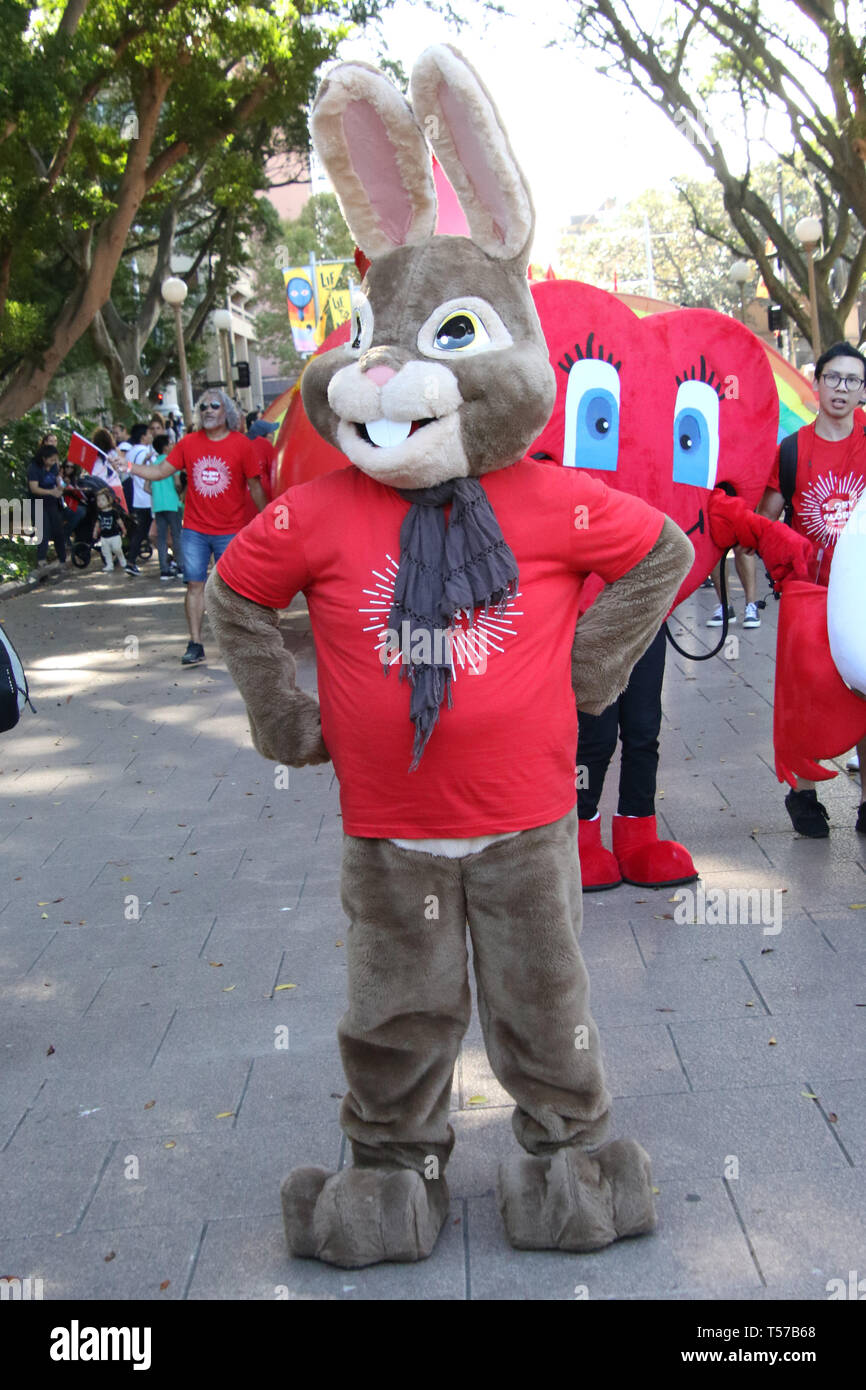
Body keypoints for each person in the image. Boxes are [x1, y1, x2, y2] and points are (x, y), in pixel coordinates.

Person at [757, 340, 866, 837]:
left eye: (852, 380)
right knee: (804, 697)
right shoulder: (794, 448)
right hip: (809, 596)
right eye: (833, 378)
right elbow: (767, 520)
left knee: (864, 692)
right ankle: (803, 797)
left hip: (861, 596)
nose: (841, 388)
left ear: (862, 390)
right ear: (816, 383)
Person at [125, 388, 266, 665]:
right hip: (195, 530)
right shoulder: (188, 443)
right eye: (203, 407)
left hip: (231, 530)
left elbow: (255, 487)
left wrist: (270, 518)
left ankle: (234, 644)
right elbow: (159, 472)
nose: (208, 410)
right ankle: (195, 643)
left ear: (226, 411)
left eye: (214, 405)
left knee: (232, 590)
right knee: (194, 585)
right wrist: (129, 466)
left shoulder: (241, 444)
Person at [149, 432, 184, 579]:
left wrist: (157, 493)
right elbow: (177, 482)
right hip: (172, 503)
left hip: (158, 505)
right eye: (170, 444)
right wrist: (179, 492)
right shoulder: (171, 462)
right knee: (177, 535)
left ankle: (164, 569)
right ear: (165, 447)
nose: (172, 446)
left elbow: (146, 487)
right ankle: (181, 566)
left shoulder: (153, 464)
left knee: (161, 537)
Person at [27, 444, 67, 566]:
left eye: (55, 460)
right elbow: (34, 488)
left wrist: (61, 486)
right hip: (37, 502)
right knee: (43, 529)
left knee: (57, 529)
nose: (53, 462)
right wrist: (51, 492)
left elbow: (58, 479)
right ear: (44, 458)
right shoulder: (34, 468)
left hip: (52, 502)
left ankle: (62, 559)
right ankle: (41, 560)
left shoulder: (54, 467)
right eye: (51, 460)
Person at [124, 423, 155, 575]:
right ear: (143, 436)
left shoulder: (130, 452)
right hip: (148, 497)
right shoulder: (145, 453)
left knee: (143, 530)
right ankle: (131, 561)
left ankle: (131, 561)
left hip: (138, 497)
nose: (151, 436)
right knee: (146, 530)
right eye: (149, 433)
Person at [92, 487, 128, 571]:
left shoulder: (113, 512)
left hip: (114, 535)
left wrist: (123, 529)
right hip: (104, 537)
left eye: (103, 500)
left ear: (109, 501)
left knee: (117, 549)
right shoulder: (100, 513)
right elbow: (98, 523)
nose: (100, 502)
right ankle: (109, 565)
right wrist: (95, 532)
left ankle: (122, 560)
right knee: (106, 551)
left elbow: (119, 521)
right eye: (98, 500)